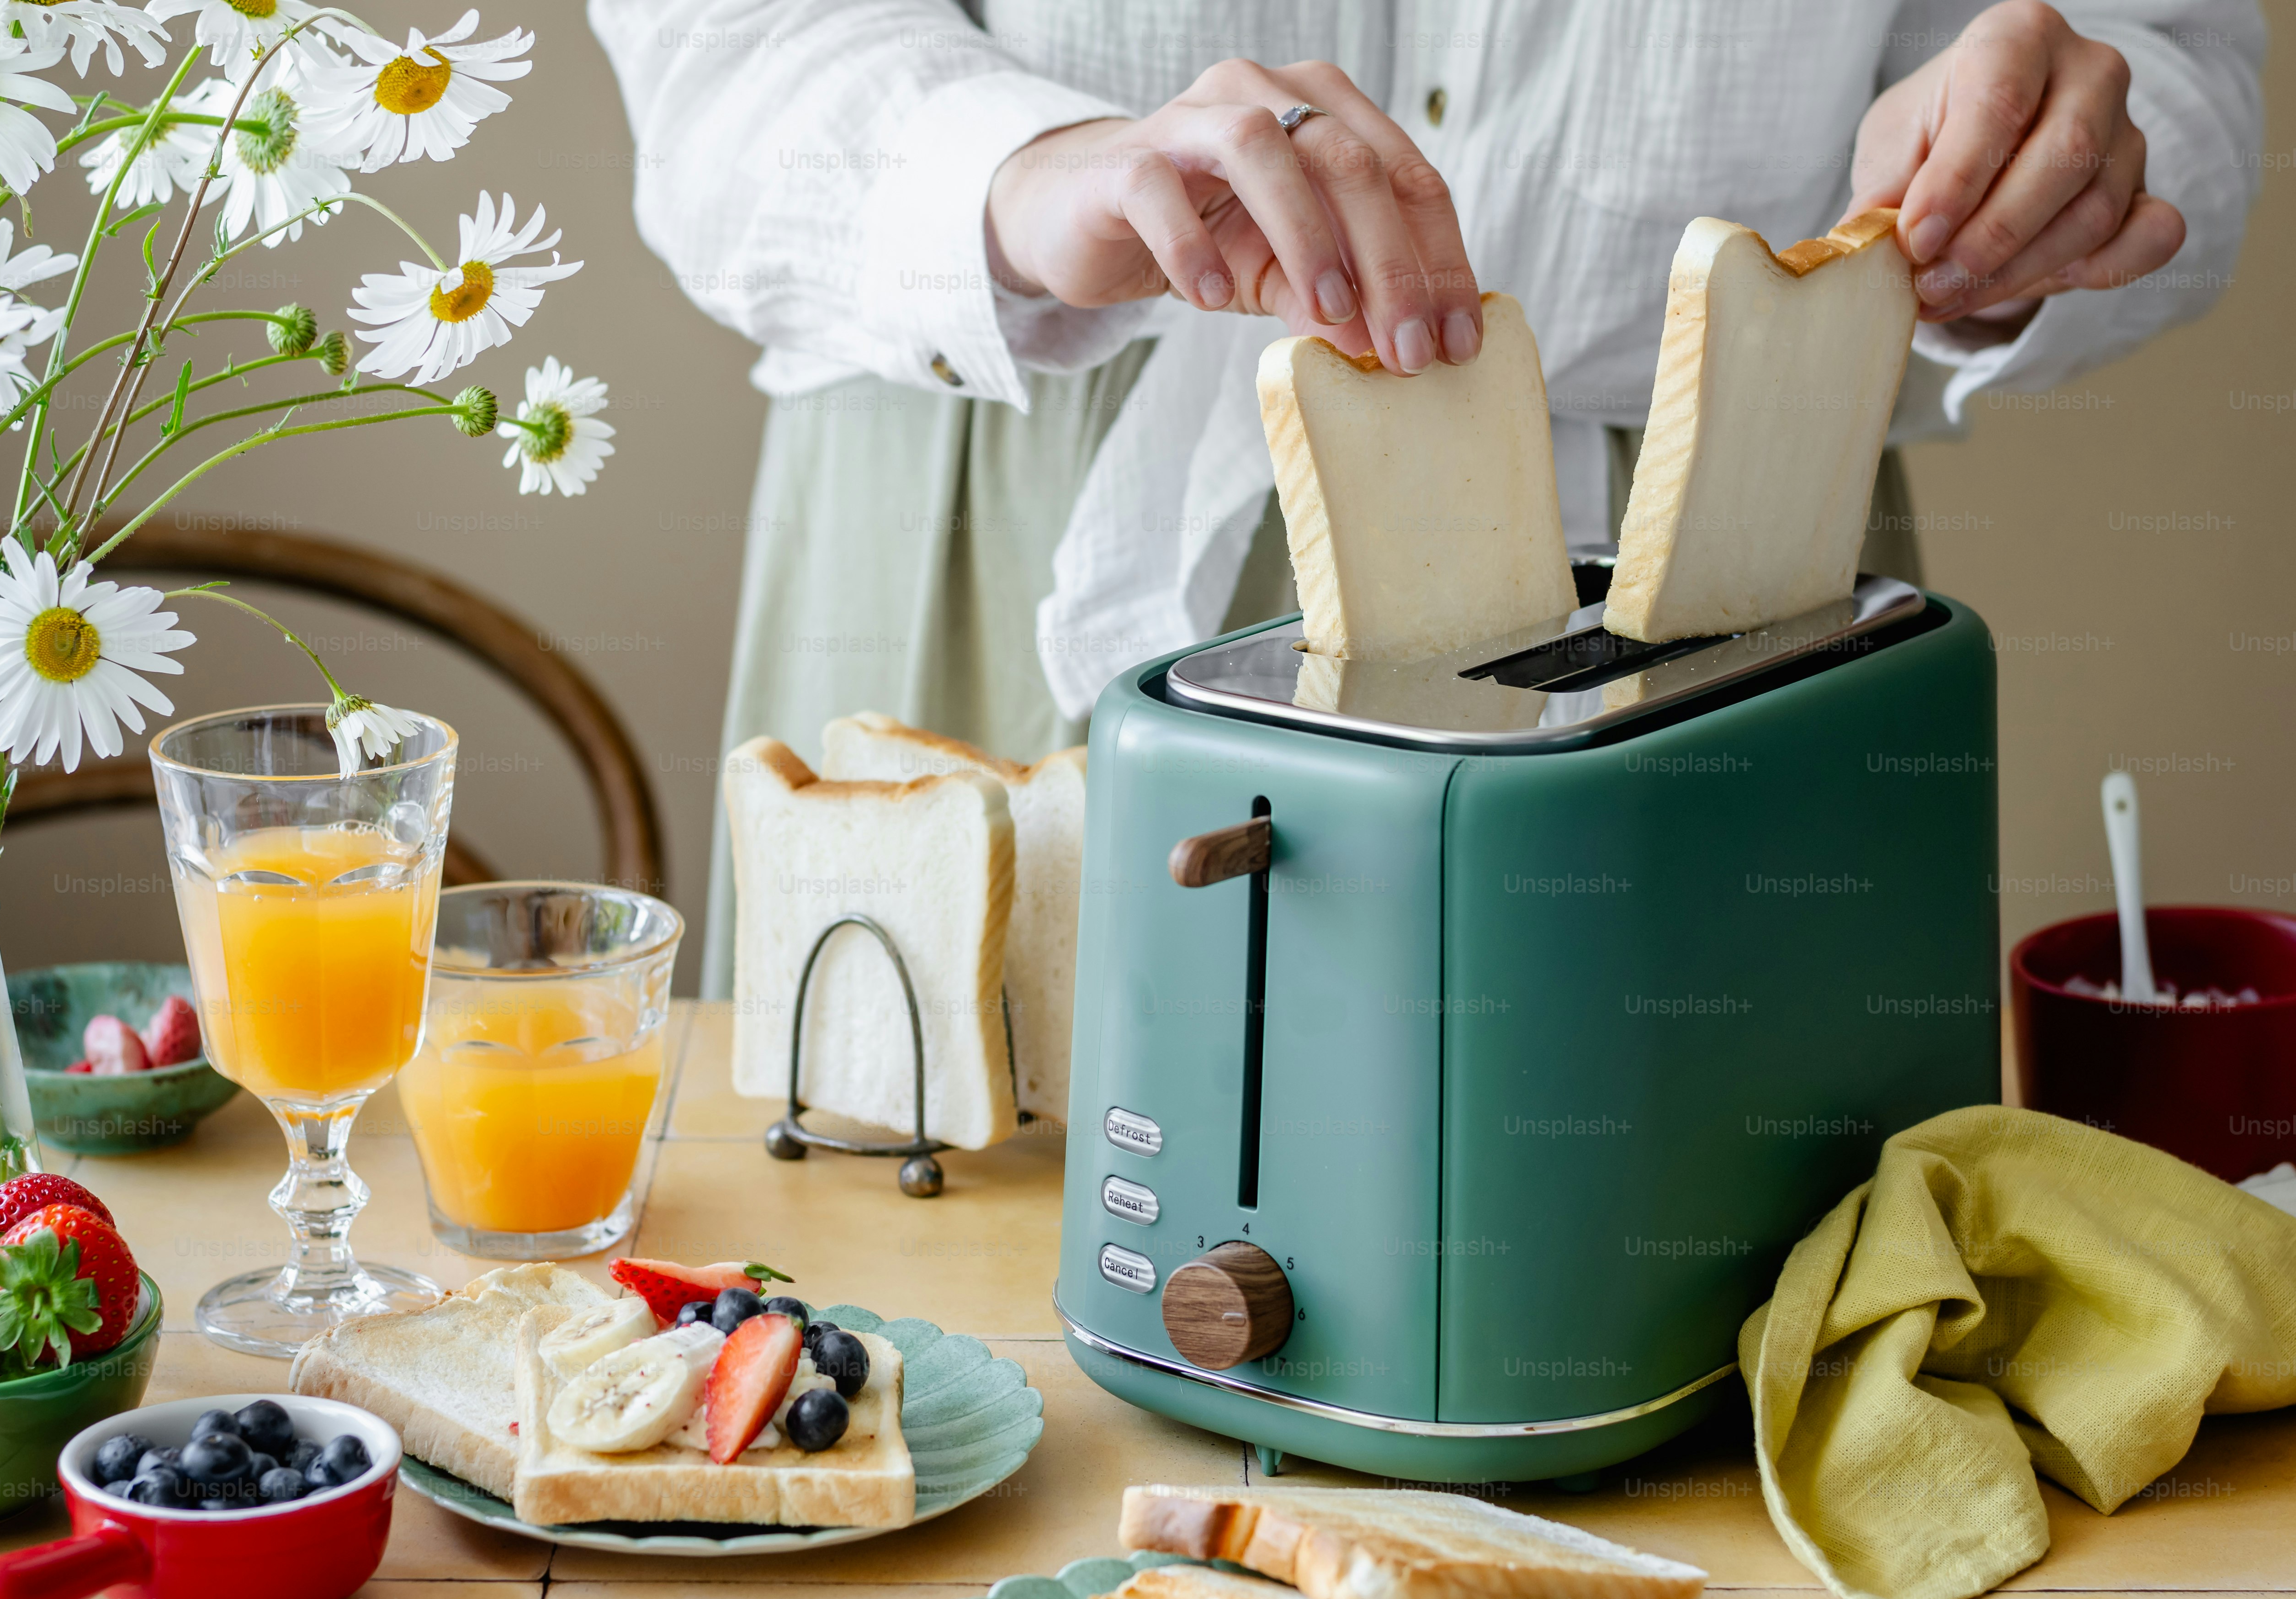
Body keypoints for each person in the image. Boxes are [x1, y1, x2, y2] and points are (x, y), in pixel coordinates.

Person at [587, 0, 2264, 996]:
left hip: (1721, 543)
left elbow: (2173, 60)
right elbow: (722, 43)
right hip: (994, 520)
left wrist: (2029, 173)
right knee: (928, 1368)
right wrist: (1030, 171)